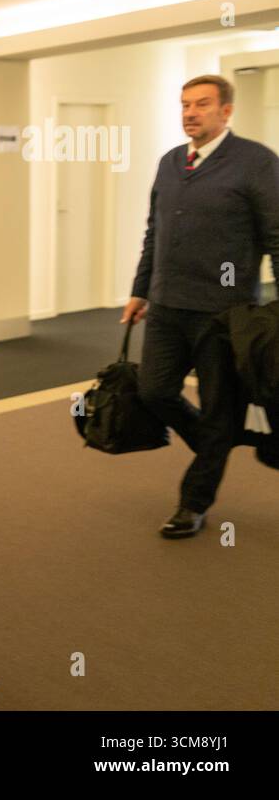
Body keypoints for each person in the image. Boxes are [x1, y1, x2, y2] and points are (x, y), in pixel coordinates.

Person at [123, 74, 279, 538]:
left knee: (217, 408)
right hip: (168, 306)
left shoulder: (256, 162)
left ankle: (193, 503)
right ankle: (218, 442)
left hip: (224, 312)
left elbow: (276, 235)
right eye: (185, 104)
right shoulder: (171, 162)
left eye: (202, 104)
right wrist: (140, 289)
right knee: (154, 392)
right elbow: (155, 232)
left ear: (226, 111)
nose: (190, 113)